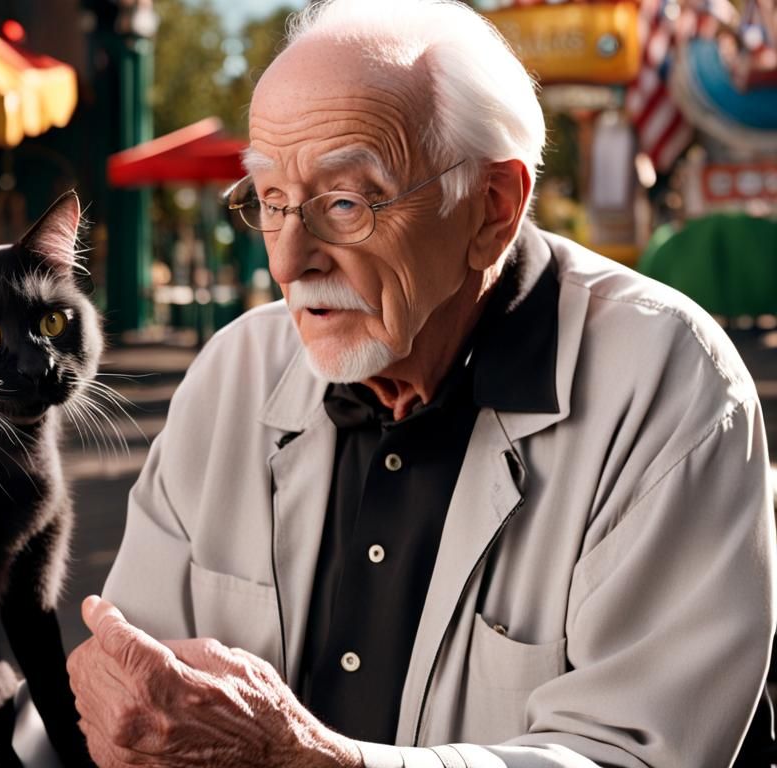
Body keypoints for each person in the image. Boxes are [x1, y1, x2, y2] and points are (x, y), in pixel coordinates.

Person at [48, 0, 777, 766]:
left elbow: (637, 755)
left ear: (493, 209)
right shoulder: (233, 374)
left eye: (345, 202)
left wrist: (309, 761)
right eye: (269, 203)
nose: (293, 261)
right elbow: (131, 697)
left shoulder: (668, 380)